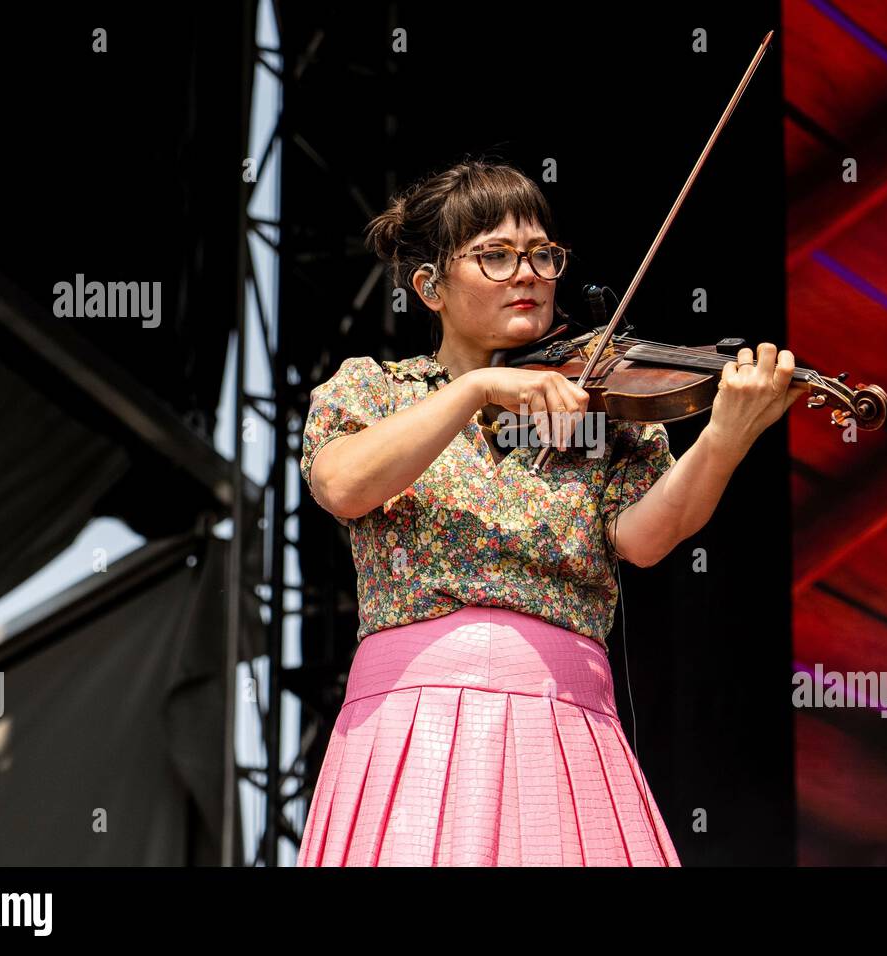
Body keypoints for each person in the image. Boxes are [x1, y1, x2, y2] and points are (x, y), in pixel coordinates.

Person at [296, 159, 805, 866]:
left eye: (541, 254)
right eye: (496, 256)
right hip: (413, 722)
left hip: (561, 723)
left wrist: (726, 435)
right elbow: (344, 484)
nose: (528, 273)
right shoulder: (376, 391)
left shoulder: (594, 400)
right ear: (430, 287)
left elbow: (645, 538)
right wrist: (475, 388)